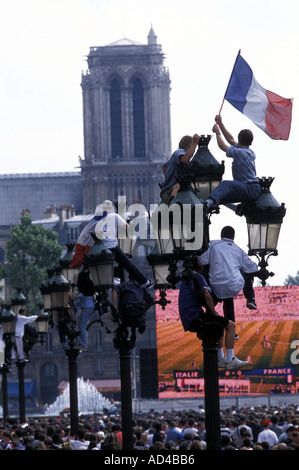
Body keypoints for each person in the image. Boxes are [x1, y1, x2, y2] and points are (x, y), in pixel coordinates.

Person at [178, 255, 249, 370]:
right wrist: (214, 312)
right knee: (230, 325)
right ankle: (230, 360)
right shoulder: (198, 278)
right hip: (195, 317)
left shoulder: (188, 279)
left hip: (190, 318)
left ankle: (220, 359)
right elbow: (206, 295)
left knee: (219, 326)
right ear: (200, 265)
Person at [71, 200, 152, 288]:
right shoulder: (114, 216)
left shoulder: (96, 219)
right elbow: (127, 227)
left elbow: (90, 233)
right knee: (128, 265)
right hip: (113, 247)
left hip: (102, 250)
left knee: (101, 269)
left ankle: (106, 284)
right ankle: (144, 282)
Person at [198, 226, 259, 338]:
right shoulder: (239, 250)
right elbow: (253, 268)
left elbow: (201, 260)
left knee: (226, 297)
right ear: (233, 236)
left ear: (221, 235)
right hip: (233, 285)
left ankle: (214, 315)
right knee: (246, 271)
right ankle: (250, 298)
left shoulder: (213, 245)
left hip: (215, 285)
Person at [204, 115, 261, 214]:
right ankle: (237, 209)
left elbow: (222, 146)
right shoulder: (249, 151)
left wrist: (217, 132)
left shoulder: (240, 153)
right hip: (251, 188)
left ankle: (208, 203)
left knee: (225, 185)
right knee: (220, 194)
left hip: (249, 188)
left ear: (240, 141)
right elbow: (230, 140)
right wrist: (221, 124)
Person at [160, 134, 200, 204]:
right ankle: (172, 200)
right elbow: (185, 159)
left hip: (167, 191)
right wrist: (195, 143)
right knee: (177, 186)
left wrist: (169, 178)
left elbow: (164, 166)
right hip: (170, 192)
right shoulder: (179, 152)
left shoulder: (174, 157)